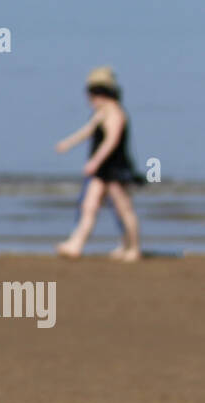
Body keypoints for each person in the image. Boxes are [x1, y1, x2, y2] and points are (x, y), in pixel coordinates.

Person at [55, 66, 141, 261]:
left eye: (91, 94)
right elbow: (87, 131)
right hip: (102, 170)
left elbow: (112, 141)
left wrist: (95, 161)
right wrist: (67, 143)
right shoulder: (101, 112)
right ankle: (76, 244)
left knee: (124, 209)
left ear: (100, 93)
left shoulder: (115, 113)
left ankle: (133, 248)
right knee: (89, 206)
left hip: (115, 169)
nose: (89, 99)